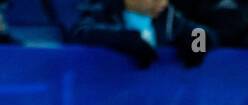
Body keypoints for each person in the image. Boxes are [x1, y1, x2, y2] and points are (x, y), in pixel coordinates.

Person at [71, 0, 213, 67]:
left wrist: (197, 44)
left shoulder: (168, 16)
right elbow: (80, 32)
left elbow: (200, 31)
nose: (163, 3)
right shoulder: (103, 10)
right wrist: (123, 39)